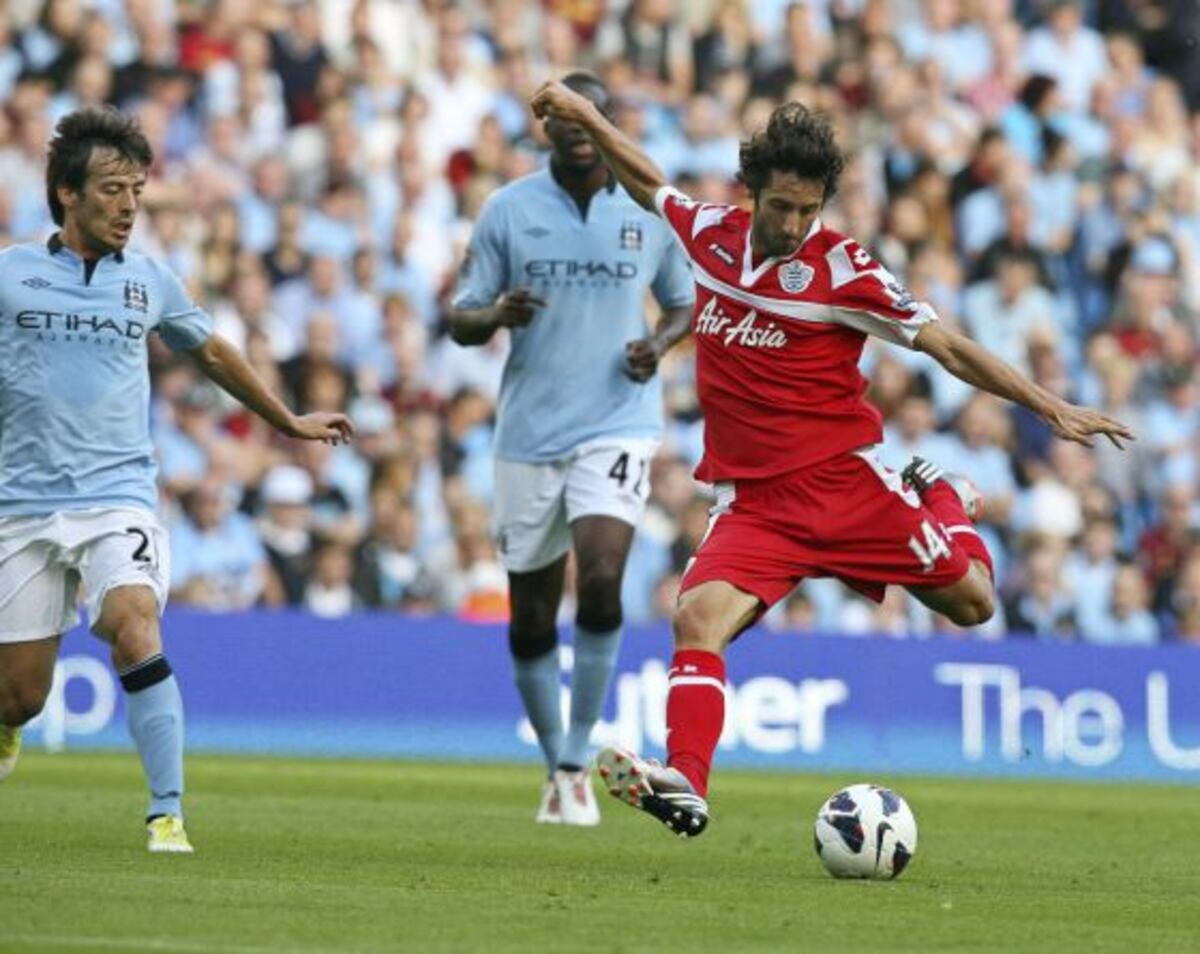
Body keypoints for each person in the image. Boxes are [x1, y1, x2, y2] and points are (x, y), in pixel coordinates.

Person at [529, 82, 1134, 837]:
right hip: (757, 503)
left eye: (807, 210)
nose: (792, 223)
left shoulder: (843, 270)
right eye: (780, 205)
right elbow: (648, 179)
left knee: (975, 603)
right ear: (753, 192)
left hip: (848, 487)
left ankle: (944, 499)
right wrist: (588, 116)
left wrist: (1049, 405)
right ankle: (687, 778)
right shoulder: (709, 234)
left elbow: (944, 344)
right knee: (696, 618)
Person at [0, 108, 353, 853]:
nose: (129, 205)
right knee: (20, 696)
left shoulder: (150, 281)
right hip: (23, 506)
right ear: (67, 194)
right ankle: (8, 728)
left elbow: (214, 352)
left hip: (117, 495)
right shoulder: (12, 274)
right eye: (111, 189)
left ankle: (167, 812)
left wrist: (286, 420)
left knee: (134, 622)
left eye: (137, 189)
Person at [449, 71, 694, 826]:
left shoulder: (648, 209)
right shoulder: (508, 210)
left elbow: (684, 304)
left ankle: (577, 757)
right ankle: (553, 754)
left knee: (603, 573)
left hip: (617, 421)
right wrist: (494, 314)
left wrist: (657, 345)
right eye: (562, 115)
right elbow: (459, 318)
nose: (578, 127)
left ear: (607, 120)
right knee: (529, 614)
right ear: (544, 125)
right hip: (528, 434)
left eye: (590, 113)